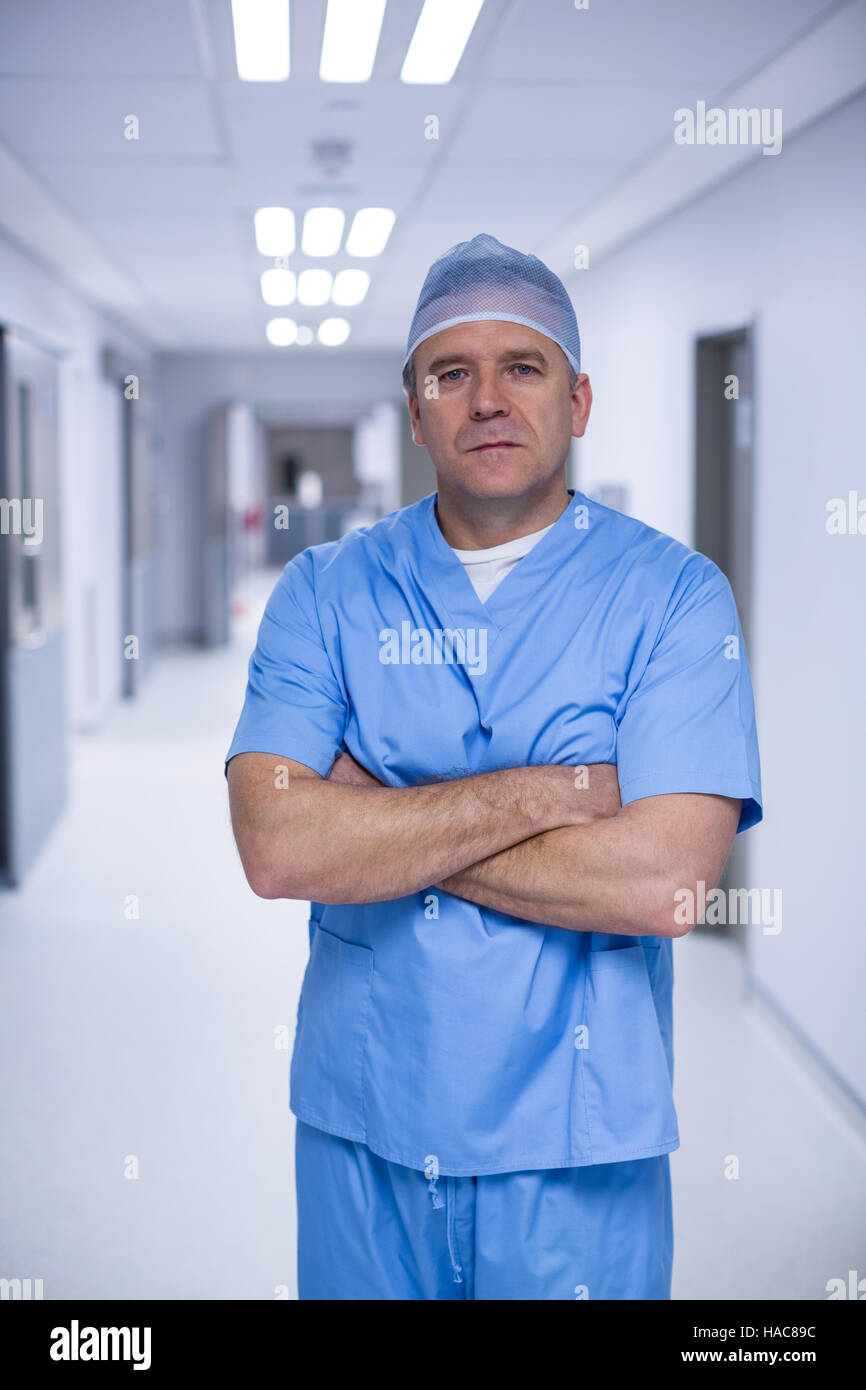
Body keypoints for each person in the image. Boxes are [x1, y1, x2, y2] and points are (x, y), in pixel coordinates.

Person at [225, 232, 763, 1301]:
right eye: (450, 372)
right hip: (365, 1133)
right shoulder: (324, 592)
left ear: (577, 401)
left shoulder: (673, 597)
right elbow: (280, 845)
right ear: (414, 407)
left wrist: (379, 819)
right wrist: (553, 793)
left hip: (578, 1151)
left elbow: (666, 884)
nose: (486, 399)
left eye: (522, 366)